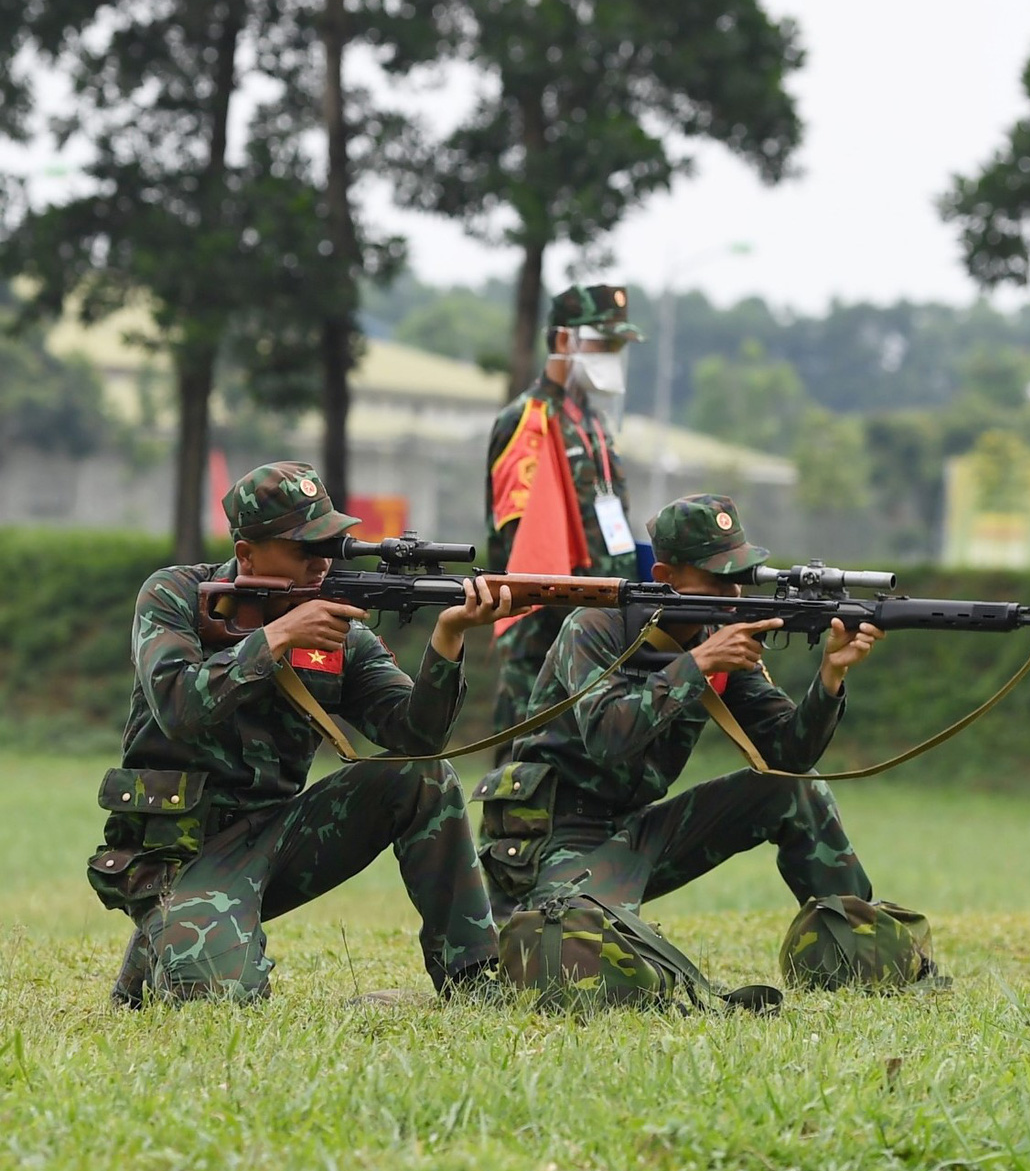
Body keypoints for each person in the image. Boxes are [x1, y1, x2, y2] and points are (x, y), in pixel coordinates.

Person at [88, 461, 512, 1004]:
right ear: (246, 555)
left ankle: (473, 983)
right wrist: (278, 636)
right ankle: (167, 935)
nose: (319, 566)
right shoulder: (174, 596)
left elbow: (416, 736)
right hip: (181, 848)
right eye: (303, 550)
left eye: (329, 548)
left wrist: (449, 637)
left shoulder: (338, 633)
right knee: (218, 1002)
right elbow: (179, 706)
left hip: (278, 837)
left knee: (423, 776)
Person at [476, 494, 880, 927]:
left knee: (795, 790)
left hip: (639, 832)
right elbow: (608, 738)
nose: (732, 596)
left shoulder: (716, 636)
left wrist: (830, 678)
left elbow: (788, 758)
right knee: (580, 944)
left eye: (738, 579)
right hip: (560, 835)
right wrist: (698, 664)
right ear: (665, 576)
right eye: (716, 579)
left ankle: (862, 945)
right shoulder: (595, 627)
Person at [485, 282, 644, 731]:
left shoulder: (593, 421)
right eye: (603, 343)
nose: (612, 355)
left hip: (601, 630)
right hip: (543, 641)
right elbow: (525, 550)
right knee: (527, 774)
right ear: (562, 341)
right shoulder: (529, 421)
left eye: (619, 346)